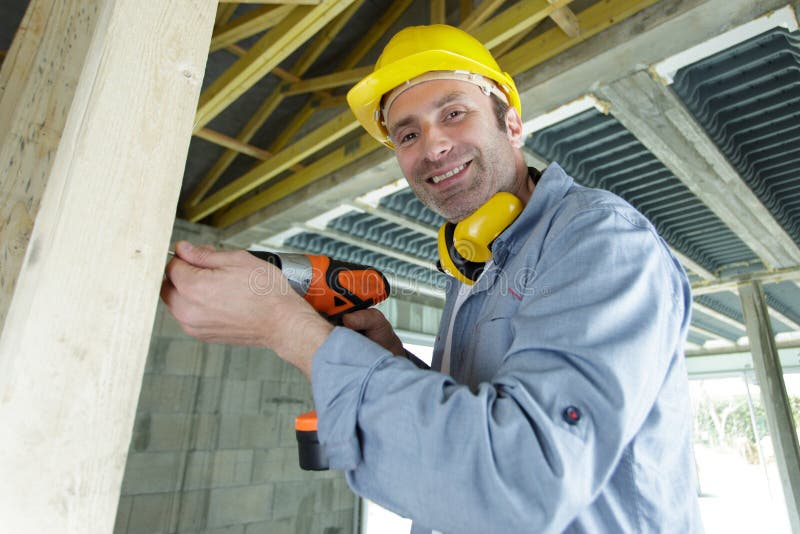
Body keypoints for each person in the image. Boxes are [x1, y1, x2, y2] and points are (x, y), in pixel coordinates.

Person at [162, 24, 703, 533]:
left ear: (511, 122)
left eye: (453, 113)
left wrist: (288, 329)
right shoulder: (473, 263)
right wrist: (389, 359)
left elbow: (526, 477)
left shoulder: (599, 240)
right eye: (407, 134)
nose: (433, 147)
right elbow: (480, 414)